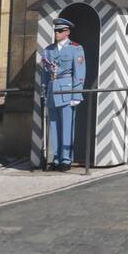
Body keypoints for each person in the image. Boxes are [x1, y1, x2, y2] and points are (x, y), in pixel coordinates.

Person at [38, 17, 86, 171]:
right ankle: (56, 158)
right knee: (54, 126)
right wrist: (44, 92)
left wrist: (76, 95)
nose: (57, 33)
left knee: (67, 126)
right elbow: (46, 74)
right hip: (53, 90)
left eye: (60, 31)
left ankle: (66, 159)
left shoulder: (75, 48)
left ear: (67, 32)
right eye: (55, 31)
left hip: (67, 90)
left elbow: (79, 73)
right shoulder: (49, 50)